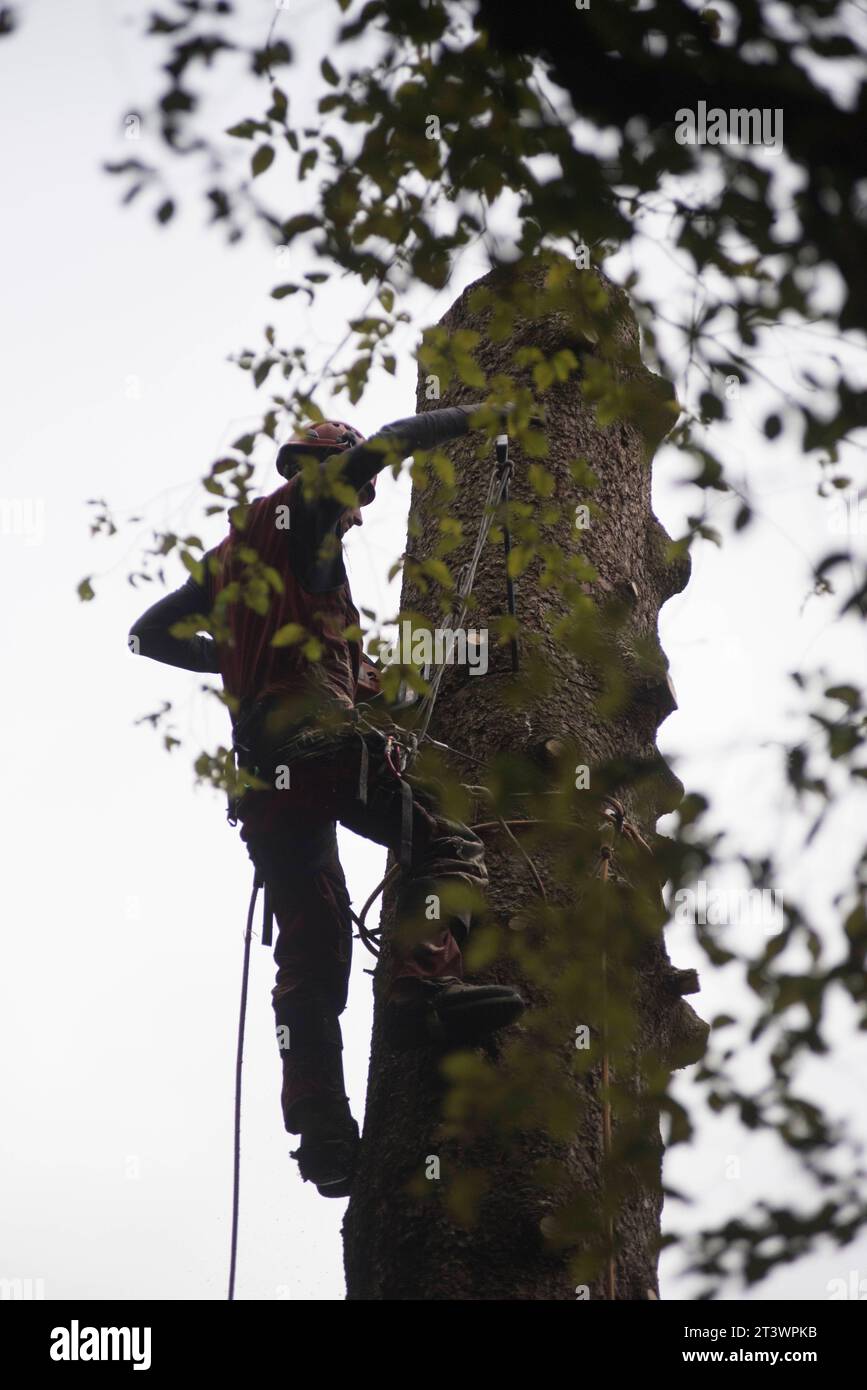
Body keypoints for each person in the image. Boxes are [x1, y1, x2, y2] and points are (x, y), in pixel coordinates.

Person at [129, 405, 525, 1196]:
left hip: (267, 784)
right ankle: (423, 985)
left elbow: (147, 635)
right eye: (359, 487)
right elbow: (385, 442)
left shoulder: (238, 559)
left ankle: (322, 1134)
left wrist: (235, 660)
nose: (361, 505)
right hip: (317, 751)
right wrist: (486, 416)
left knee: (310, 957)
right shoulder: (301, 513)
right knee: (445, 846)